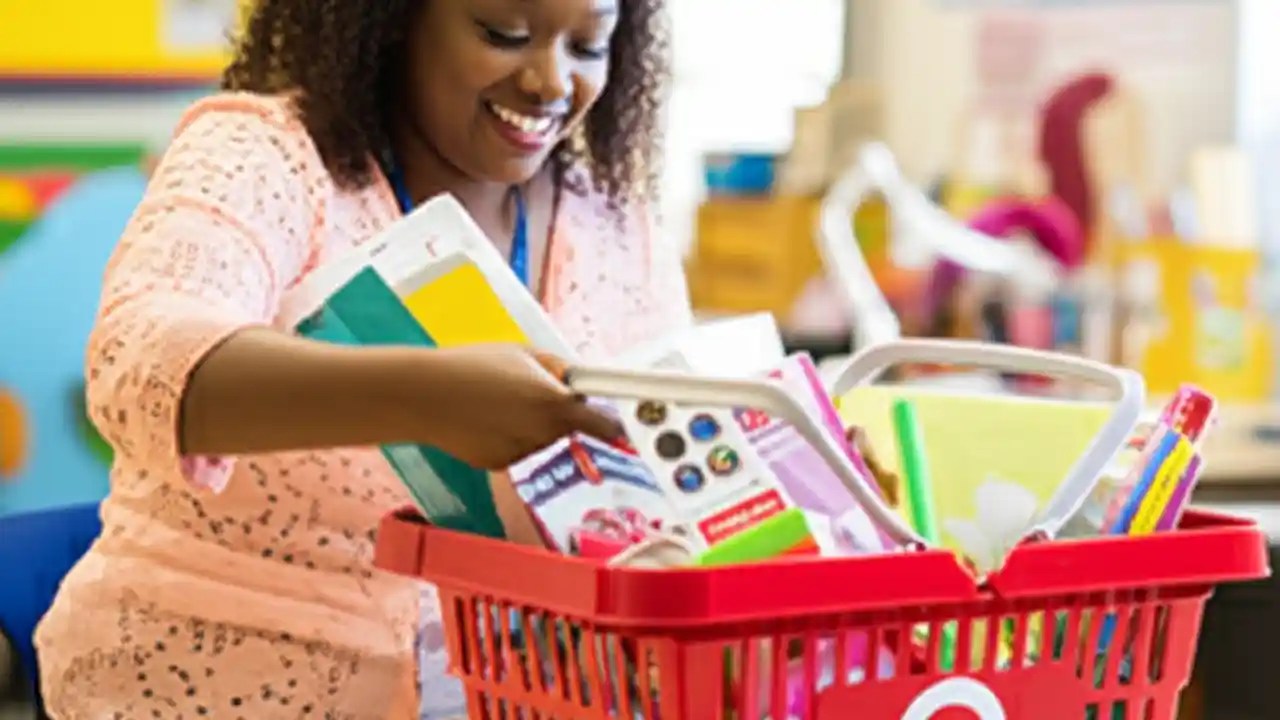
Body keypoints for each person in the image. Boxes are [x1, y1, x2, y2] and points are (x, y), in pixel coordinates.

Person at [34, 0, 689, 716]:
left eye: (589, 46)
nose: (549, 81)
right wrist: (430, 399)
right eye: (505, 35)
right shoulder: (267, 156)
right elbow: (140, 367)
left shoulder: (619, 229)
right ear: (393, 19)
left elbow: (657, 492)